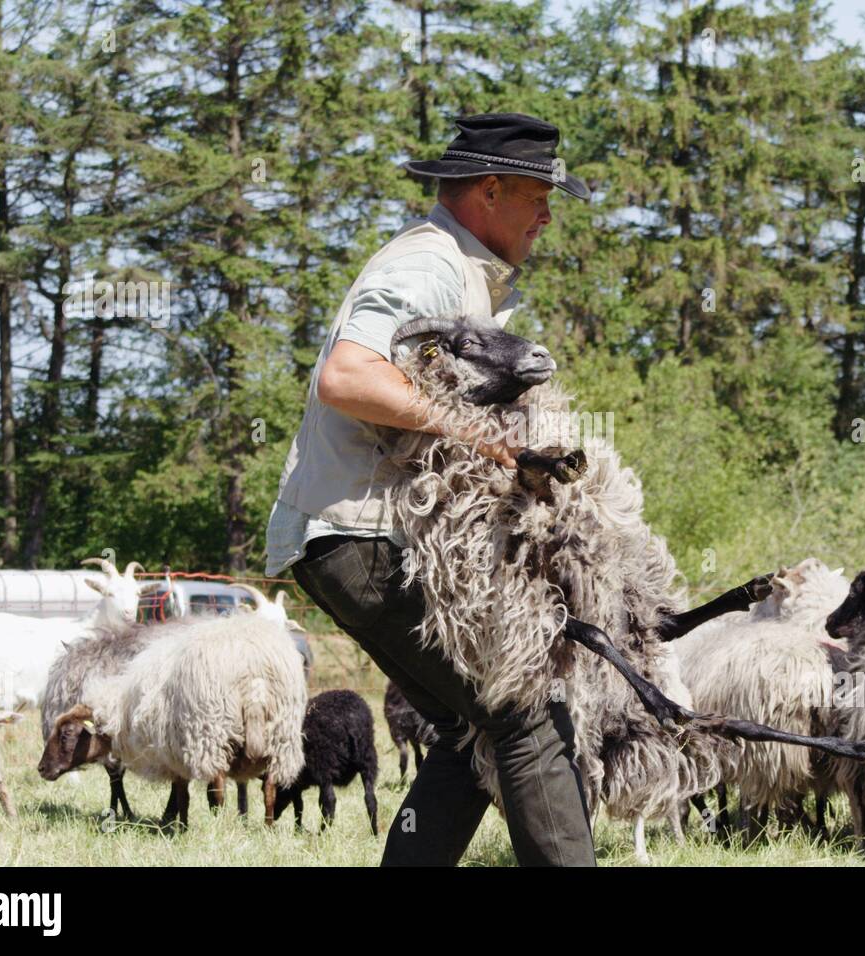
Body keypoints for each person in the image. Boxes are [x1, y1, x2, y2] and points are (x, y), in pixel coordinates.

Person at [265, 113, 597, 866]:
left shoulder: (462, 272)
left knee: (469, 729)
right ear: (489, 190)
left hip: (356, 533)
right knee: (521, 716)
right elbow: (348, 375)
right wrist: (483, 435)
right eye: (539, 195)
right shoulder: (429, 266)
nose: (549, 213)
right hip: (361, 533)